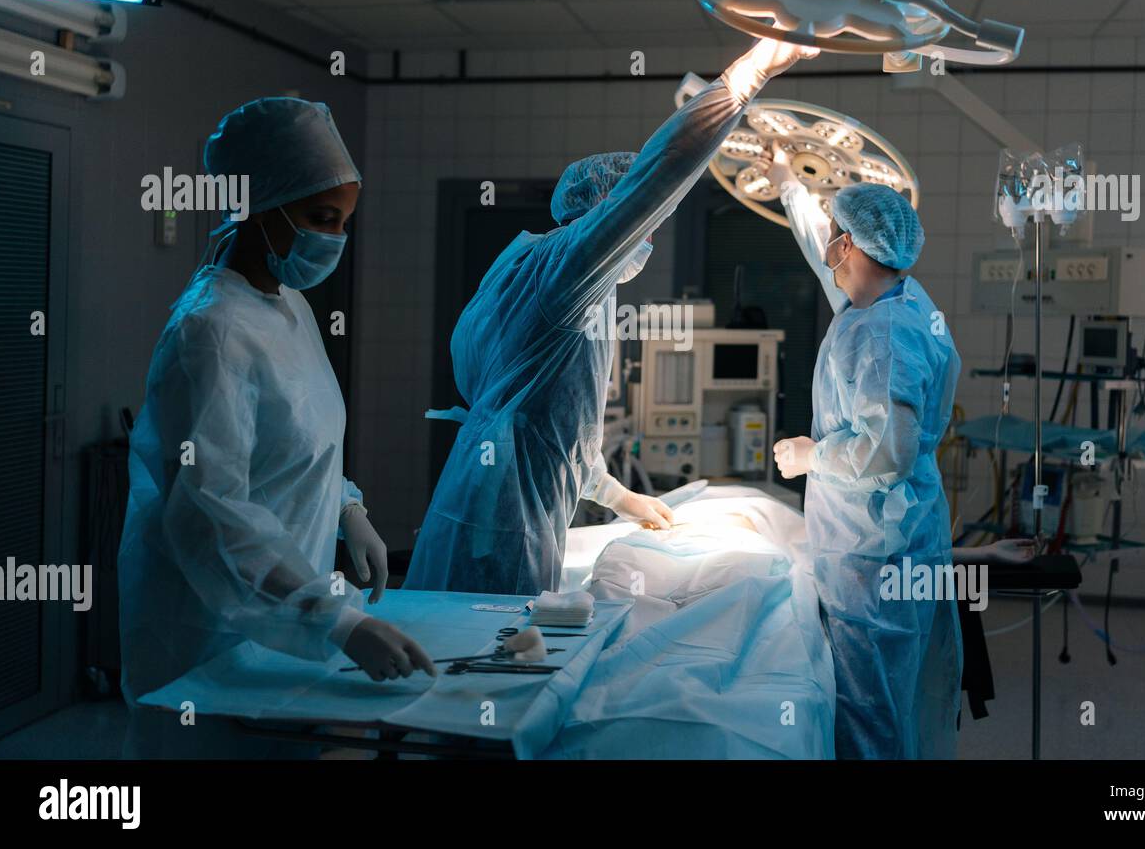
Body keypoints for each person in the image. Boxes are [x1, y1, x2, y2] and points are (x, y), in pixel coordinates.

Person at [407, 40, 816, 597]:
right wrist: (747, 76)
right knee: (487, 656)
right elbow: (654, 182)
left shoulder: (526, 268)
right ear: (610, 222)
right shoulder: (564, 273)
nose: (646, 242)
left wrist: (620, 497)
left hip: (488, 497)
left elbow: (546, 426)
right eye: (643, 231)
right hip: (501, 523)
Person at [120, 98, 434, 758]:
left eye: (346, 222)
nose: (336, 240)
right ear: (261, 205)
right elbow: (214, 509)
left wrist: (347, 507)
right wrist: (337, 619)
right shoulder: (212, 330)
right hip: (211, 624)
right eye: (323, 218)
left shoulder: (289, 306)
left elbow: (296, 436)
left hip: (286, 605)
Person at [767, 145, 963, 759]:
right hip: (898, 534)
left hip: (873, 556)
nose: (826, 248)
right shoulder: (892, 300)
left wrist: (809, 455)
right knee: (899, 700)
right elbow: (820, 256)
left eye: (833, 238)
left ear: (850, 245)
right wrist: (788, 188)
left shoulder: (884, 333)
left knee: (867, 710)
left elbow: (886, 454)